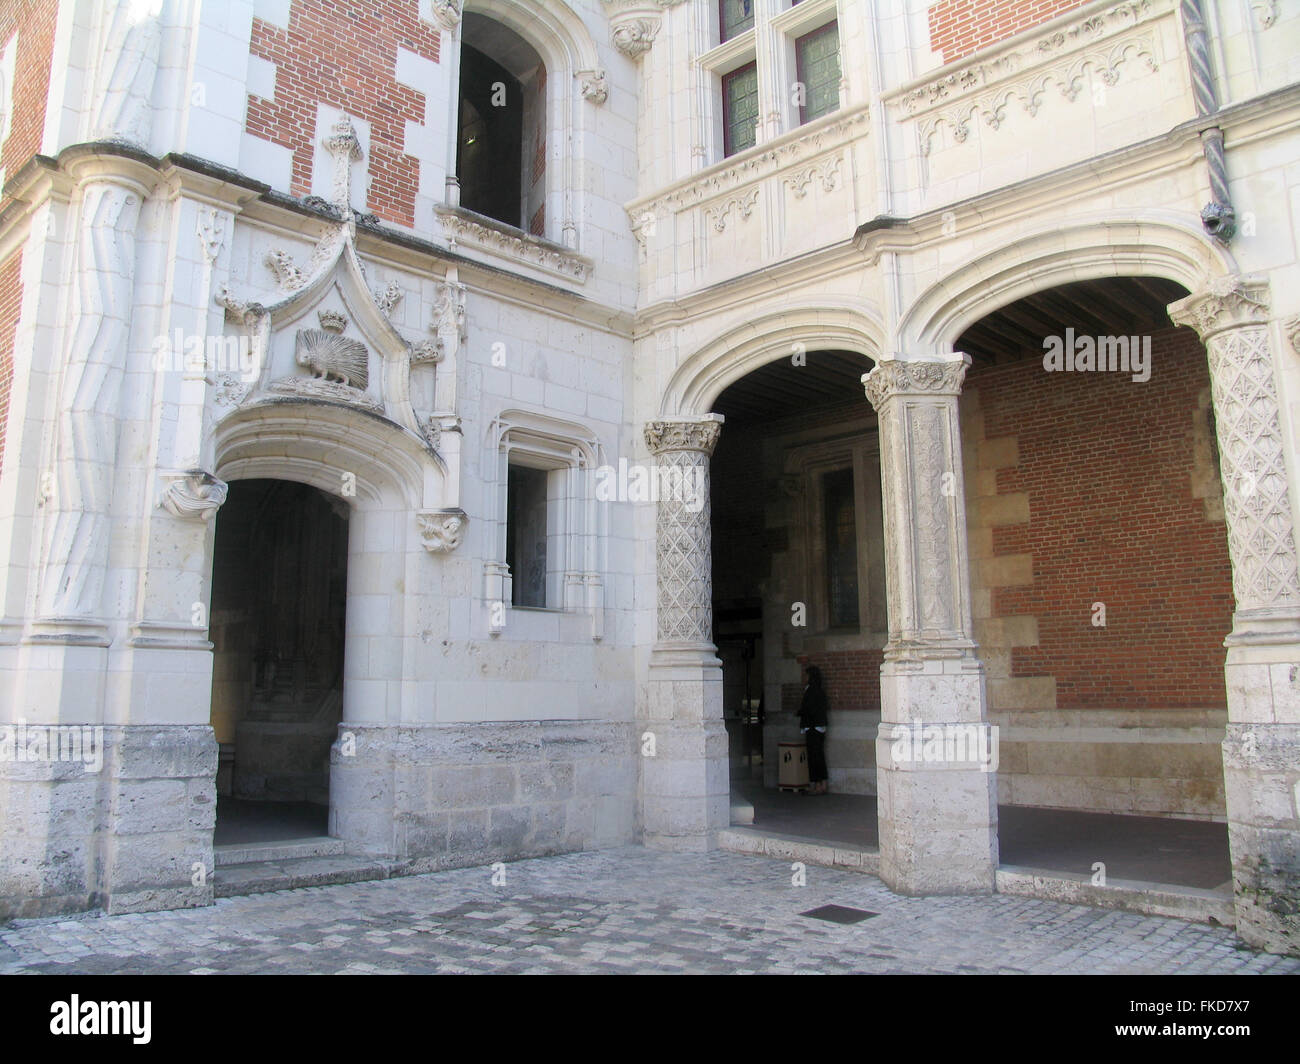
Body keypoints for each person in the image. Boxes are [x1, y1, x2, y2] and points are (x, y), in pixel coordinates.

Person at [797, 664, 830, 795]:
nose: (803, 677)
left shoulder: (811, 691)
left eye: (805, 675)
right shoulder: (819, 690)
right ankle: (823, 784)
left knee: (814, 757)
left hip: (812, 727)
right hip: (819, 727)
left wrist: (800, 712)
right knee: (819, 756)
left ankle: (817, 785)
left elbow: (809, 709)